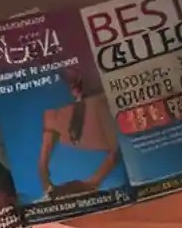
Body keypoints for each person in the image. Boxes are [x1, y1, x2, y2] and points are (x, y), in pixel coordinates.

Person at [39, 66, 121, 198]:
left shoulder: (101, 105)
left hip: (100, 188)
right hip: (60, 192)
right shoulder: (52, 116)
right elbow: (42, 165)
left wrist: (91, 184)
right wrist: (48, 188)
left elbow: (116, 153)